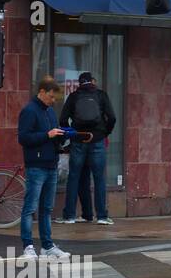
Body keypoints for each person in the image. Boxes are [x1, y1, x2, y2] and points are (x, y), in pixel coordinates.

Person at [17, 77, 70, 260]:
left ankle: (47, 246)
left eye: (55, 98)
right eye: (51, 97)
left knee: (47, 209)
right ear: (41, 92)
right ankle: (28, 247)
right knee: (30, 208)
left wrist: (62, 138)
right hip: (36, 166)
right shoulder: (29, 111)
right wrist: (47, 135)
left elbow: (52, 135)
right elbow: (23, 138)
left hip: (51, 164)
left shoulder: (49, 112)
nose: (53, 101)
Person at [59, 72, 117, 225]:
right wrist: (104, 132)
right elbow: (112, 117)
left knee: (74, 177)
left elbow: (63, 119)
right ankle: (102, 217)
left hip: (78, 140)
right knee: (99, 179)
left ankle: (69, 216)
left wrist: (72, 134)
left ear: (79, 83)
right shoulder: (101, 95)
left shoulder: (73, 96)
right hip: (97, 140)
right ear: (92, 81)